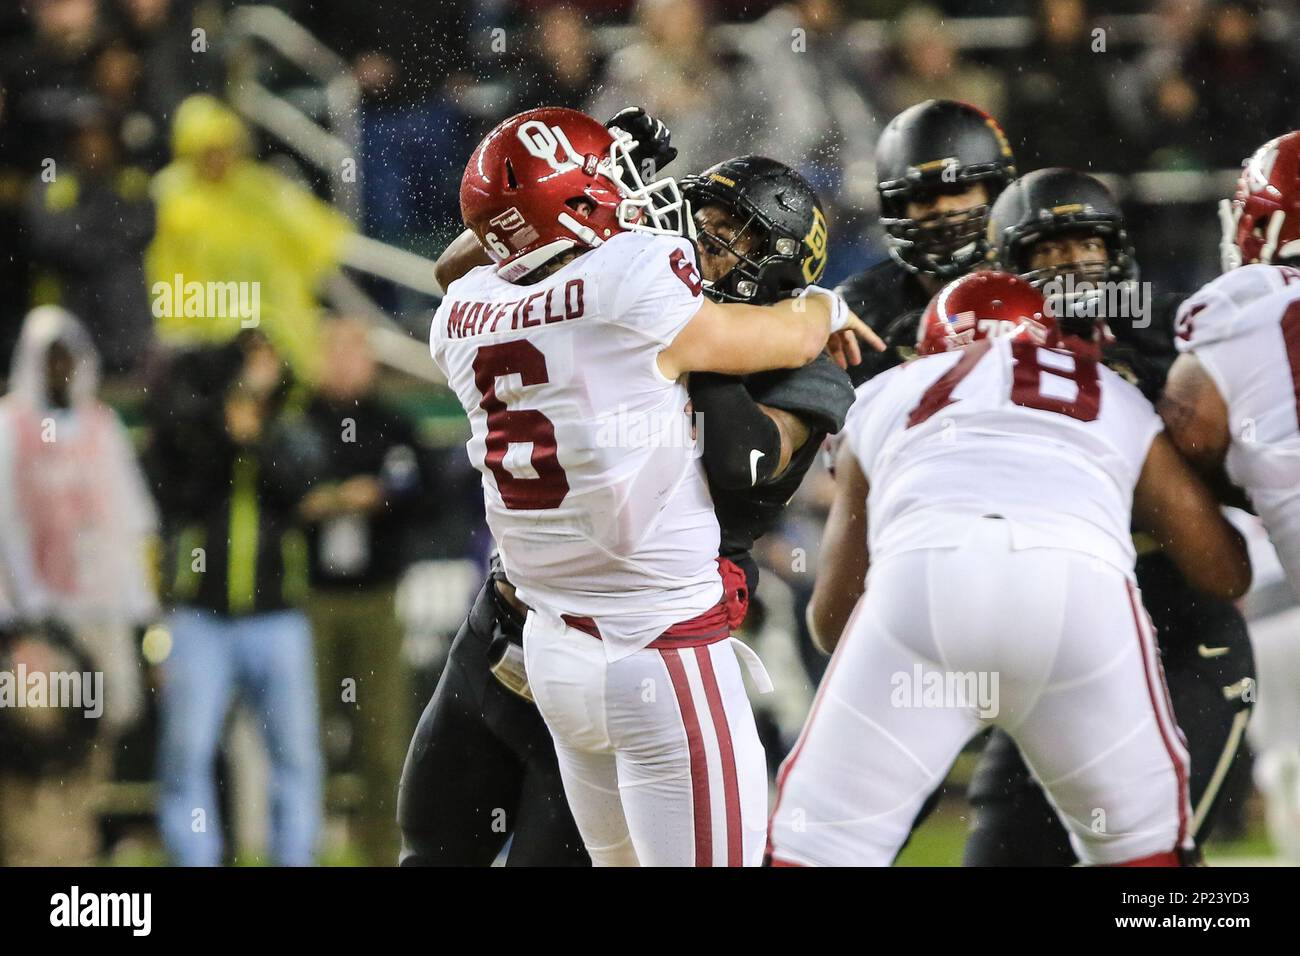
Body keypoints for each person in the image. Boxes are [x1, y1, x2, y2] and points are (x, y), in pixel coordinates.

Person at [426, 106, 870, 867]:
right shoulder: (636, 277)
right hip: (662, 652)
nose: (710, 236)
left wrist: (564, 185)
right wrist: (828, 304)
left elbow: (465, 261)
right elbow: (772, 335)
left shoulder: (463, 313)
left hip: (556, 650)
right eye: (717, 216)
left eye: (744, 235)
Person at [769, 271, 1251, 867]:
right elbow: (1223, 572)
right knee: (1146, 856)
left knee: (816, 846)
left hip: (923, 589)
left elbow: (832, 618)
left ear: (930, 346)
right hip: (1079, 595)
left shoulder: (889, 390)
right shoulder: (1111, 390)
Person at [961, 168, 1257, 865]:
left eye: (1087, 245)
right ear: (1009, 265)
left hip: (1176, 627)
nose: (1073, 263)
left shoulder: (1174, 339)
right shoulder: (972, 353)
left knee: (1150, 860)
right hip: (1052, 643)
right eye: (1051, 250)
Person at [150, 331, 326, 866]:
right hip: (200, 617)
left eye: (268, 358)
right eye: (248, 360)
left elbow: (298, 485)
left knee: (295, 756)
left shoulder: (293, 429)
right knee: (187, 755)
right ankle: (194, 857)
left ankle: (295, 858)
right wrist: (226, 433)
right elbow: (178, 493)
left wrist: (258, 435)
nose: (258, 371)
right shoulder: (192, 429)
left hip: (279, 618)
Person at [0, 304, 159, 864]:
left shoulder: (102, 427)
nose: (61, 371)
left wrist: (143, 614)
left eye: (69, 359)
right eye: (51, 360)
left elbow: (131, 523)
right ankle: (31, 847)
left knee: (99, 730)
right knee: (33, 743)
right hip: (35, 624)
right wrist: (17, 617)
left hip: (100, 614)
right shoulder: (8, 426)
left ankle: (78, 842)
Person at [300, 315, 429, 866]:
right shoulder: (300, 424)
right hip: (310, 598)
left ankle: (380, 852)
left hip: (376, 596)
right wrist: (327, 501)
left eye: (354, 351)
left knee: (382, 735)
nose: (344, 363)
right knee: (304, 735)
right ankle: (302, 847)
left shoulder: (392, 425)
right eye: (334, 351)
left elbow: (423, 492)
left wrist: (379, 499)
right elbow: (281, 487)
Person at [837, 99, 1017, 386]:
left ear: (995, 193)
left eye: (959, 189)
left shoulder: (1041, 287)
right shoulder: (860, 307)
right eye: (923, 196)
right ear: (897, 208)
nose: (943, 208)